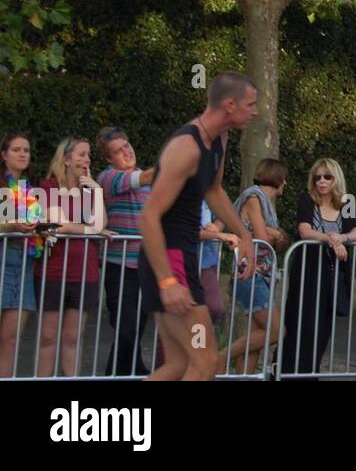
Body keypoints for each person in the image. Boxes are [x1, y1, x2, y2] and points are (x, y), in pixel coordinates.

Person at [137, 73, 257, 381]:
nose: (255, 111)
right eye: (250, 104)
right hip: (170, 263)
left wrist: (244, 234)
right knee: (206, 362)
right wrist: (167, 282)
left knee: (177, 365)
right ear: (229, 105)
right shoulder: (185, 148)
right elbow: (148, 216)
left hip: (182, 258)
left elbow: (213, 190)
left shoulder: (219, 138)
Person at [282, 157, 356, 378]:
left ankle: (311, 372)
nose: (321, 181)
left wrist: (342, 237)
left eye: (327, 176)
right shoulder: (308, 200)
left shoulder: (347, 201)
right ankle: (288, 372)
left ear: (336, 179)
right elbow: (305, 230)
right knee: (302, 323)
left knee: (324, 326)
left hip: (333, 272)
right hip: (309, 269)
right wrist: (331, 240)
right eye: (317, 177)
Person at [37, 136, 109, 377]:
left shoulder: (90, 191)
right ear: (66, 159)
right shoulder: (49, 186)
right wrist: (89, 229)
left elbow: (99, 223)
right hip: (53, 271)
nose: (86, 160)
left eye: (88, 155)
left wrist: (97, 190)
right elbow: (56, 223)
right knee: (47, 337)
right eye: (81, 154)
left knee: (73, 338)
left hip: (84, 273)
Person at [95, 126, 156, 376]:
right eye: (118, 151)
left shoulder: (144, 177)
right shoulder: (108, 178)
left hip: (144, 264)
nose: (126, 153)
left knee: (135, 330)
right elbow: (140, 179)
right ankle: (125, 372)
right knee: (126, 328)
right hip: (119, 265)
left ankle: (128, 371)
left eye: (127, 146)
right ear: (109, 159)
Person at [227, 157, 290, 375]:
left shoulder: (266, 203)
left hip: (263, 274)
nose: (286, 185)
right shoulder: (253, 197)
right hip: (251, 273)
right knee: (276, 331)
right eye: (285, 180)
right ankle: (219, 358)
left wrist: (276, 235)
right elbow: (264, 238)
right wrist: (274, 234)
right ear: (279, 180)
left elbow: (283, 241)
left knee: (257, 340)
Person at [1, 131, 42, 378]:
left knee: (11, 338)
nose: (22, 154)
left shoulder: (28, 188)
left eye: (26, 150)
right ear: (4, 155)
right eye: (16, 150)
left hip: (23, 262)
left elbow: (32, 223)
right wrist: (12, 225)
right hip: (3, 258)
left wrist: (42, 231)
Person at [198, 200, 239, 322]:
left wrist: (215, 228)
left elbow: (222, 216)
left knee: (211, 307)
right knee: (179, 311)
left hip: (206, 260)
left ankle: (197, 340)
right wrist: (219, 235)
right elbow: (185, 231)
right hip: (179, 259)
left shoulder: (209, 192)